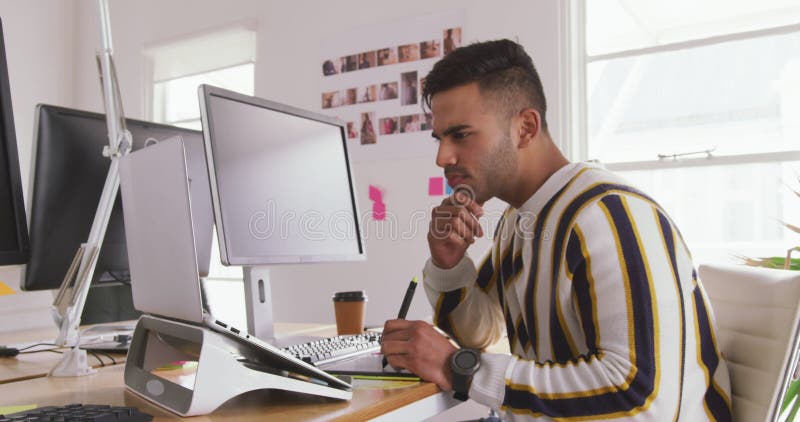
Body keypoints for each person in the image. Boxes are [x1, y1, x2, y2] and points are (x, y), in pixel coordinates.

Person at [380, 39, 732, 420]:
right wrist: (449, 264)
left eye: (461, 135)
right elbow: (482, 333)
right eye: (440, 138)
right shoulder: (521, 220)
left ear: (526, 127)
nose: (442, 158)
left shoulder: (608, 214)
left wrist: (457, 368)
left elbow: (638, 394)